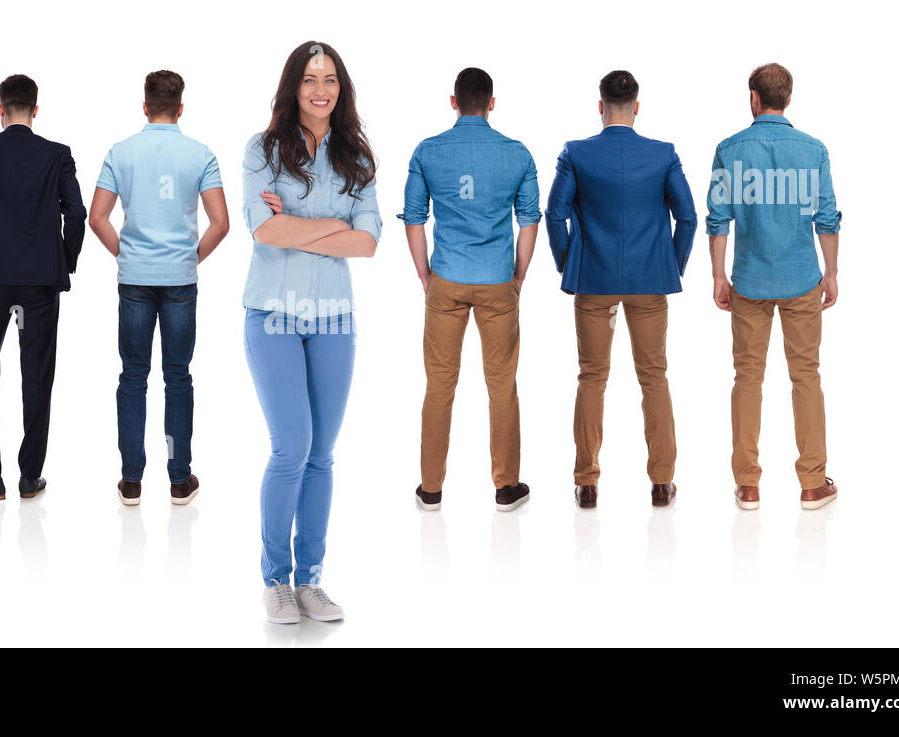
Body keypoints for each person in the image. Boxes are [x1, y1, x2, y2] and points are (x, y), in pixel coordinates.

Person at [242, 41, 380, 624]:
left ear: (340, 88)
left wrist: (294, 223)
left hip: (335, 317)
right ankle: (275, 580)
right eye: (308, 79)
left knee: (322, 453)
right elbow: (261, 231)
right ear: (292, 87)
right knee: (291, 446)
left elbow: (369, 241)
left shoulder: (357, 157)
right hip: (273, 313)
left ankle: (310, 581)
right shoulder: (263, 149)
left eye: (328, 79)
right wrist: (332, 225)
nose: (319, 89)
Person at [545, 70, 697, 509]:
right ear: (637, 107)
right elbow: (687, 217)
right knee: (654, 377)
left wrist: (568, 262)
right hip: (650, 280)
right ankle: (662, 482)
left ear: (600, 106)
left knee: (591, 378)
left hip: (593, 278)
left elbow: (556, 216)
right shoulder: (662, 154)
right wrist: (671, 264)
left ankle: (587, 483)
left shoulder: (577, 153)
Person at [398, 67, 540, 513]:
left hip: (446, 278)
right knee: (502, 385)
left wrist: (425, 275)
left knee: (439, 384)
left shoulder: (428, 151)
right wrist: (517, 277)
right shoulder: (517, 154)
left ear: (454, 101)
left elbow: (414, 219)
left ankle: (431, 488)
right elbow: (529, 221)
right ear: (491, 103)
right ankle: (505, 486)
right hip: (498, 279)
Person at [88, 70, 230, 507]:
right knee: (178, 377)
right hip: (179, 281)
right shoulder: (200, 154)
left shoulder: (121, 152)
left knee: (132, 377)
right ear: (180, 108)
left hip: (135, 279)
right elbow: (221, 223)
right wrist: (189, 258)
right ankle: (179, 478)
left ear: (145, 106)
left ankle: (131, 480)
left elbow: (96, 217)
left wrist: (127, 255)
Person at [706, 63, 842, 511]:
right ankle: (811, 482)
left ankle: (747, 484)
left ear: (753, 97)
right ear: (788, 98)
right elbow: (827, 218)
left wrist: (718, 275)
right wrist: (832, 272)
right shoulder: (813, 150)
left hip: (749, 281)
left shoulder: (730, 149)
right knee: (806, 377)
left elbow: (718, 219)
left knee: (747, 378)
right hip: (802, 278)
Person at [0, 74, 87, 503]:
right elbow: (77, 214)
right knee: (37, 376)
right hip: (38, 281)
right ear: (35, 109)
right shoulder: (57, 154)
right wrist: (63, 261)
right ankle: (30, 476)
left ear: (0, 108)